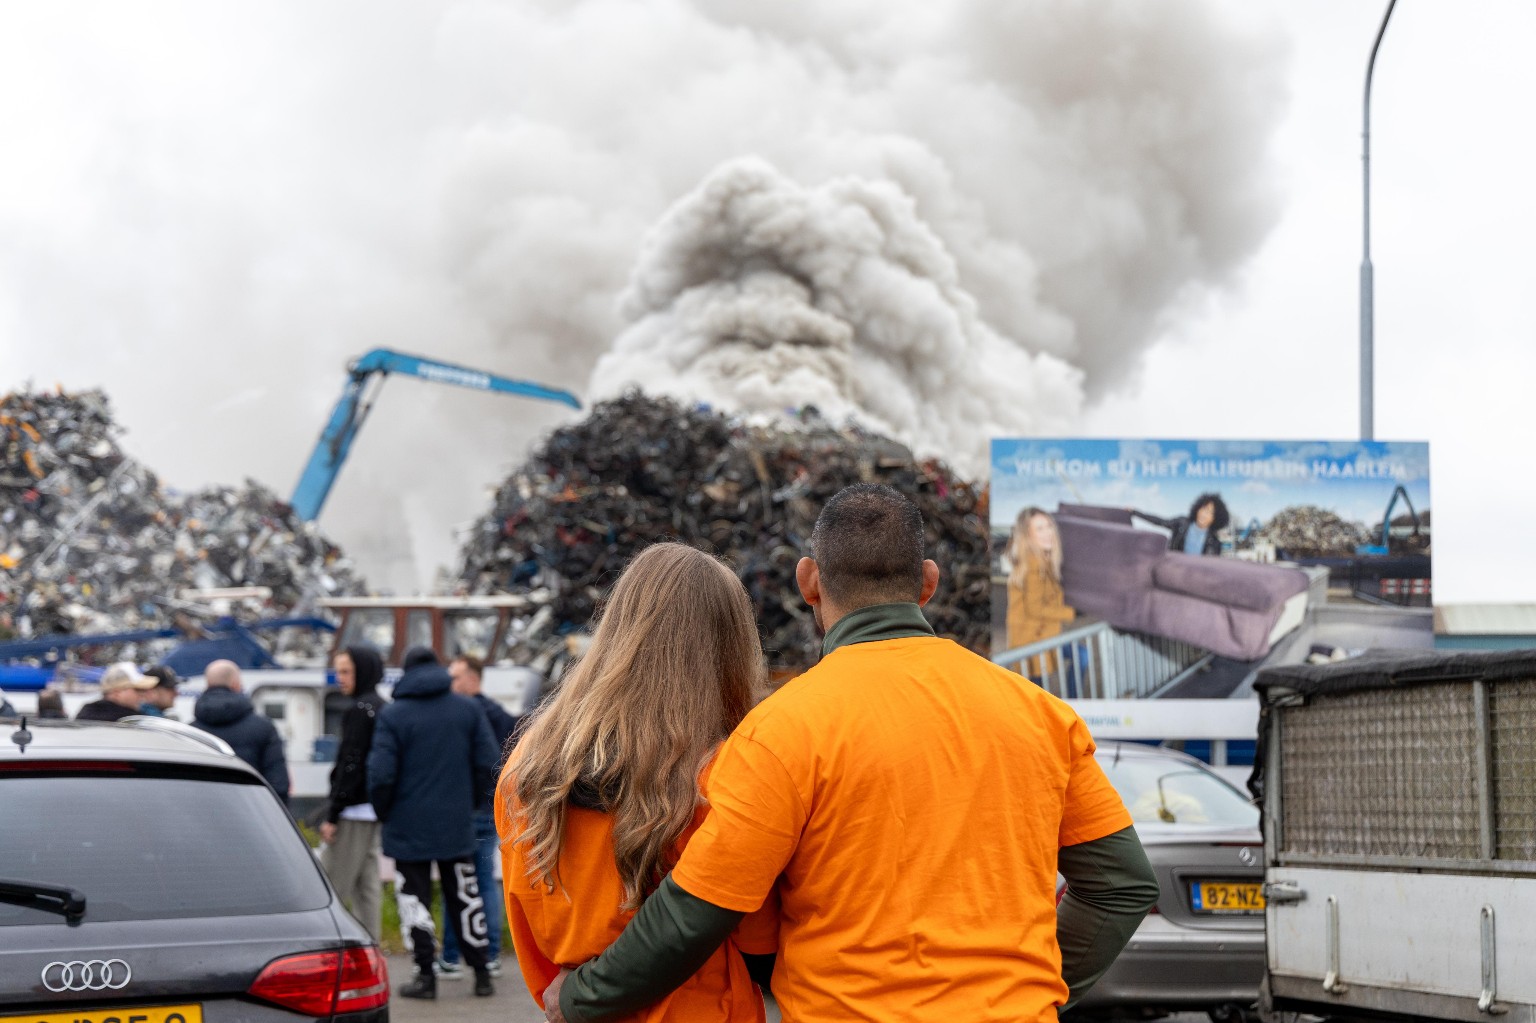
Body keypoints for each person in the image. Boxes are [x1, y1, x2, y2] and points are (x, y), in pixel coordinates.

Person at [543, 484, 1160, 1023]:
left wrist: (584, 997)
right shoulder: (1040, 714)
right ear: (928, 581)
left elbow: (697, 911)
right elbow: (1123, 887)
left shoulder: (781, 730)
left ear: (808, 580)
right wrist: (1037, 996)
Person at [496, 544, 776, 1023]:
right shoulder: (719, 775)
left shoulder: (528, 767)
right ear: (729, 648)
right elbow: (758, 935)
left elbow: (526, 921)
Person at [369, 646, 500, 1000]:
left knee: (414, 899)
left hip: (407, 826)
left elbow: (380, 774)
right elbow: (488, 763)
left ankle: (425, 977)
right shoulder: (468, 709)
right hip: (456, 824)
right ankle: (482, 974)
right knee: (464, 897)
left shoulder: (394, 716)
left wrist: (386, 812)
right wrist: (469, 804)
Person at [438, 654, 519, 980]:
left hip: (462, 809)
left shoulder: (459, 716)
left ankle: (452, 956)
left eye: (456, 677)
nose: (451, 684)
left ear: (473, 678)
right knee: (485, 881)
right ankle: (489, 954)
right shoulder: (503, 716)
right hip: (491, 808)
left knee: (455, 881)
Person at [319, 645, 388, 943]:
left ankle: (325, 950)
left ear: (363, 671)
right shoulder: (381, 706)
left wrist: (333, 812)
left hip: (351, 811)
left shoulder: (360, 710)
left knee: (331, 888)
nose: (340, 678)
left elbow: (350, 763)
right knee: (367, 888)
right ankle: (369, 949)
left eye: (347, 671)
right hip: (372, 809)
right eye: (338, 671)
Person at [192, 659, 291, 801]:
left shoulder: (191, 732)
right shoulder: (264, 728)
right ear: (236, 685)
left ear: (208, 684)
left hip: (202, 815)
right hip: (250, 815)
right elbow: (279, 785)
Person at [1005, 506, 1076, 680]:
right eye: (1039, 528)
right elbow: (1035, 609)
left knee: (1080, 656)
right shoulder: (1034, 564)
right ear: (1028, 535)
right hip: (1031, 639)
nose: (1048, 533)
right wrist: (1071, 613)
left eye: (1049, 526)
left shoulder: (1042, 561)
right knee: (1036, 690)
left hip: (1037, 636)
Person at [1131, 493, 1230, 556]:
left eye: (1210, 512)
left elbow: (1212, 569)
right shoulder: (1181, 523)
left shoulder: (1214, 543)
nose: (1204, 514)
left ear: (1215, 519)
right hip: (1175, 570)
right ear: (1197, 508)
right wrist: (1135, 512)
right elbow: (1159, 521)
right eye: (1203, 509)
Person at [76, 662, 157, 721]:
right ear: (117, 692)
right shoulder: (131, 721)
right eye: (138, 689)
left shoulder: (86, 714)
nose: (143, 694)